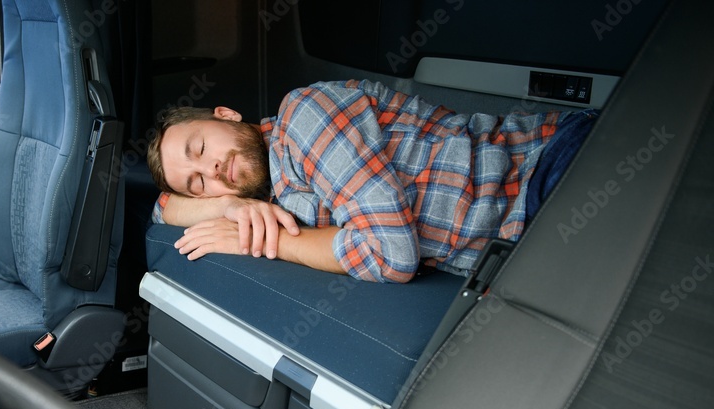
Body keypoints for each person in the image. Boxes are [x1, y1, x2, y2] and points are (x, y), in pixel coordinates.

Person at [145, 79, 597, 283]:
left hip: (554, 169)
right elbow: (162, 208)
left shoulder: (302, 117)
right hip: (520, 246)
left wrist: (267, 242)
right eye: (198, 183)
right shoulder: (270, 191)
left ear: (226, 115)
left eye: (201, 149)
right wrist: (229, 206)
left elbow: (391, 256)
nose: (213, 171)